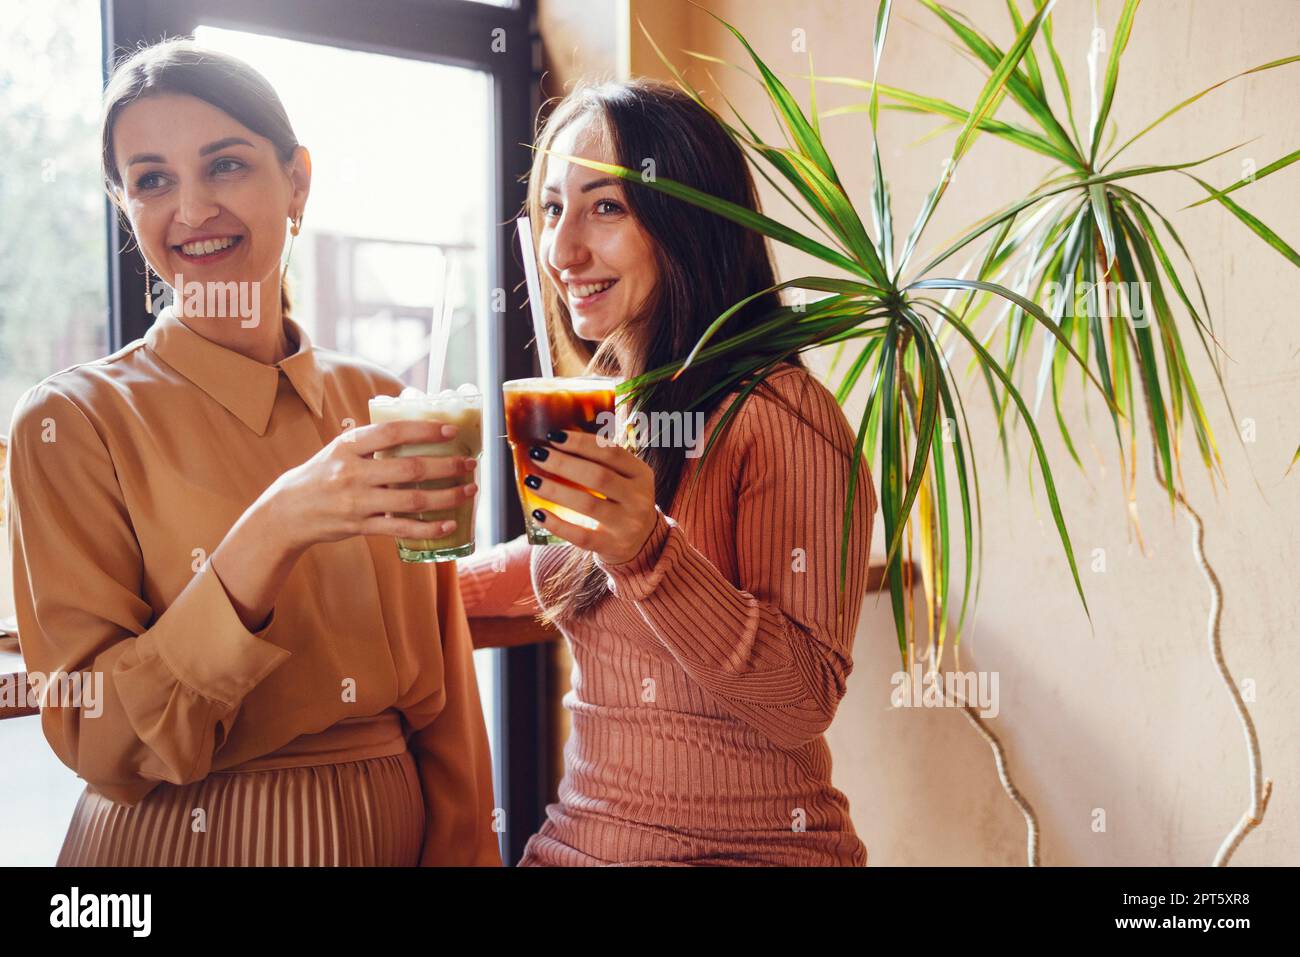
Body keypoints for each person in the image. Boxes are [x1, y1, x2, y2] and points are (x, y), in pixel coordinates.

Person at [5, 38, 500, 866]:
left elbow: (444, 698)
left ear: (297, 180)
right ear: (126, 207)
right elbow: (101, 738)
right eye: (152, 180)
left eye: (226, 165)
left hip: (392, 827)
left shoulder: (383, 402)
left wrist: (467, 850)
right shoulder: (68, 422)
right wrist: (271, 529)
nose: (192, 210)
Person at [459, 79, 877, 866]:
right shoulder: (624, 407)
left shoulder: (783, 413)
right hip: (575, 844)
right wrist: (402, 591)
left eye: (605, 206)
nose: (562, 250)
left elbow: (802, 700)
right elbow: (566, 567)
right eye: (552, 209)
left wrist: (645, 548)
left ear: (689, 219)